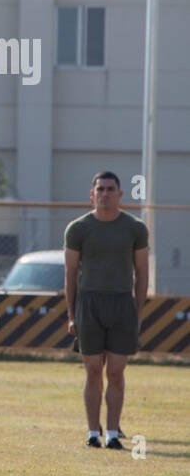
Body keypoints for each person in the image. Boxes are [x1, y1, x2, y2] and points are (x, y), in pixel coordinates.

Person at [65, 171, 149, 450]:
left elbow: (141, 271)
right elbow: (70, 273)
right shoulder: (77, 229)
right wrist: (71, 314)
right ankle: (92, 433)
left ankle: (113, 433)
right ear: (92, 194)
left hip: (122, 303)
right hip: (89, 303)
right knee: (92, 369)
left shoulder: (135, 228)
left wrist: (136, 311)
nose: (105, 194)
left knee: (115, 370)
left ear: (120, 194)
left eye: (110, 189)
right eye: (100, 189)